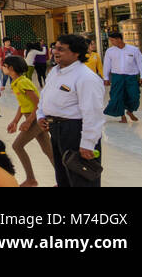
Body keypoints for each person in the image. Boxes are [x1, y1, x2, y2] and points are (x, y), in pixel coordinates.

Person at [36, 34, 106, 188]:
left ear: (76, 53)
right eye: (55, 48)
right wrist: (41, 115)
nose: (55, 52)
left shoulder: (86, 77)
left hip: (75, 130)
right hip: (56, 130)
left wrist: (88, 143)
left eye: (61, 49)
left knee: (81, 178)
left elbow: (93, 113)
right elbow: (44, 97)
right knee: (63, 176)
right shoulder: (55, 72)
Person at [3, 54, 53, 186]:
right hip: (31, 117)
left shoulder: (23, 82)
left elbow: (38, 104)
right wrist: (15, 121)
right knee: (49, 150)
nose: (3, 68)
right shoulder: (16, 83)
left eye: (5, 66)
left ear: (11, 68)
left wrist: (28, 121)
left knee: (17, 146)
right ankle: (64, 178)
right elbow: (23, 104)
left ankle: (31, 179)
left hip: (36, 119)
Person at [102, 30, 142, 124]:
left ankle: (130, 111)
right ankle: (122, 116)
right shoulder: (110, 51)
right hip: (117, 77)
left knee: (134, 95)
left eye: (112, 40)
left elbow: (141, 63)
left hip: (131, 77)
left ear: (119, 39)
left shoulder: (133, 50)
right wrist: (105, 78)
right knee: (117, 97)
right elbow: (106, 65)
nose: (111, 42)